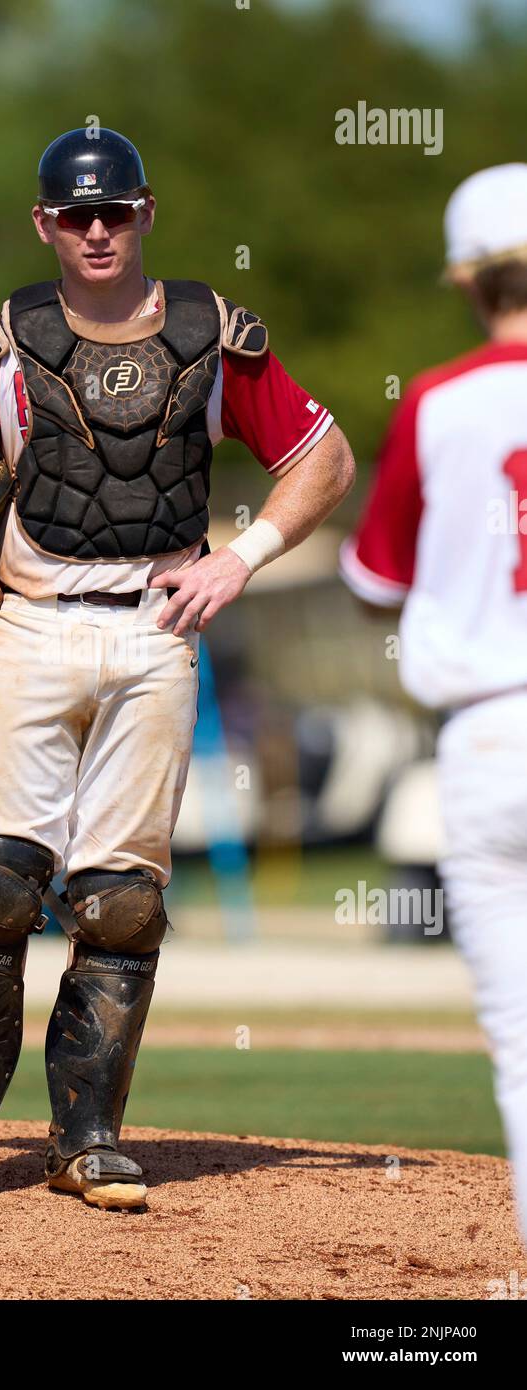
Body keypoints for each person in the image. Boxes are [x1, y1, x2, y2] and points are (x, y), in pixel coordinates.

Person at [0, 127, 354, 1210]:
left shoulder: (211, 335)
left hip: (156, 625)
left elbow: (324, 457)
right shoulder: (1, 342)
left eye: (112, 211)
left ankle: (87, 1139)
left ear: (145, 213)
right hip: (32, 624)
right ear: (42, 222)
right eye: (73, 213)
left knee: (121, 900)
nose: (93, 229)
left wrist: (243, 558)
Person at [340, 163, 527, 1245]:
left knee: (517, 1037)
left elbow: (373, 580)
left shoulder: (434, 399)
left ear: (463, 277)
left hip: (483, 735)